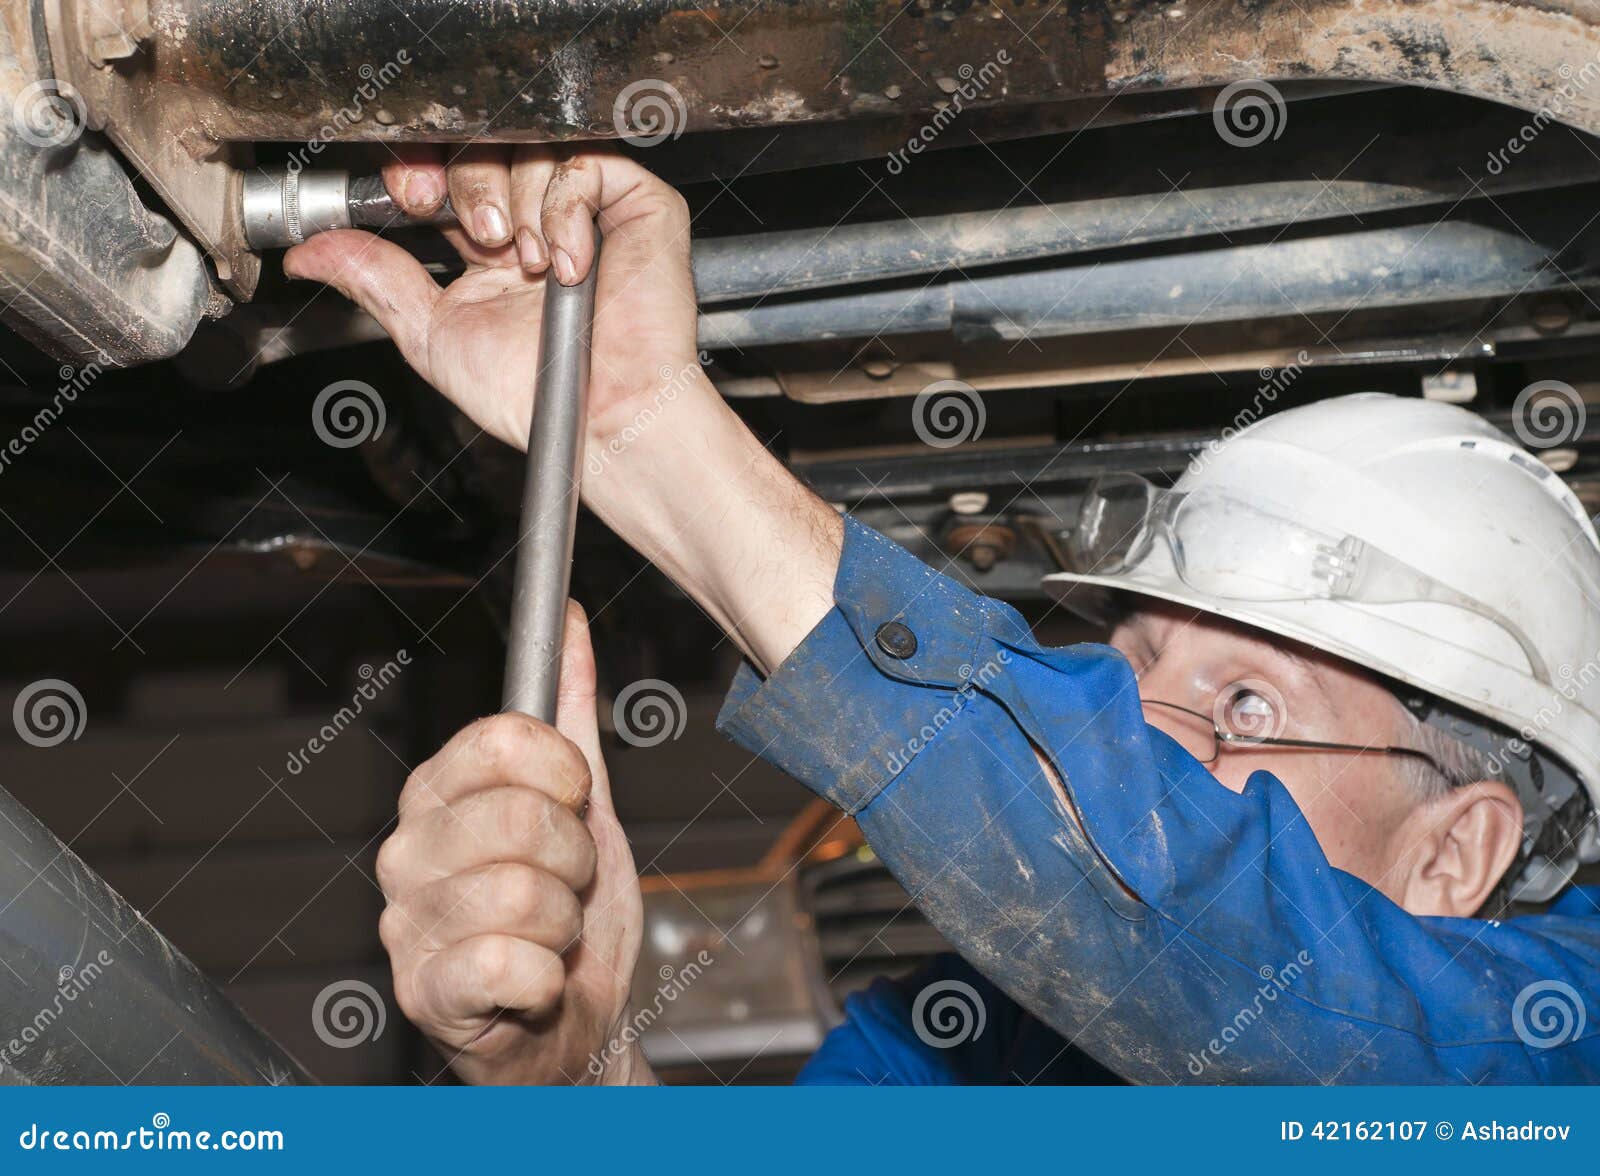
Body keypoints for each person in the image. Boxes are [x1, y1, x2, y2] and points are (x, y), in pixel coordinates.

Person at [285, 147, 1600, 1085]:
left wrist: (661, 439)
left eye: (1248, 705)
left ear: (1456, 853)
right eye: (1127, 670)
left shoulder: (1561, 1035)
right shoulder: (956, 1057)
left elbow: (1247, 962)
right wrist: (574, 1077)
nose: (1138, 731)